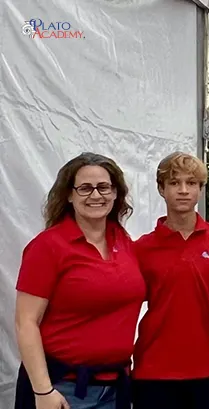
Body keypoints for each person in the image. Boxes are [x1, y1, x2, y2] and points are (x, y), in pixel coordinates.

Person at [15, 152, 145, 409]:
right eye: (85, 188)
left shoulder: (124, 241)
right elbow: (25, 322)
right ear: (69, 195)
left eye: (104, 187)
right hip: (63, 389)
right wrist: (43, 391)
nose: (96, 196)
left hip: (115, 388)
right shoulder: (48, 247)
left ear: (116, 193)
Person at [131, 152, 209, 409]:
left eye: (191, 183)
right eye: (174, 182)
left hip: (201, 369)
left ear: (201, 189)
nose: (183, 190)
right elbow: (124, 308)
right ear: (161, 188)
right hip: (151, 368)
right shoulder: (141, 248)